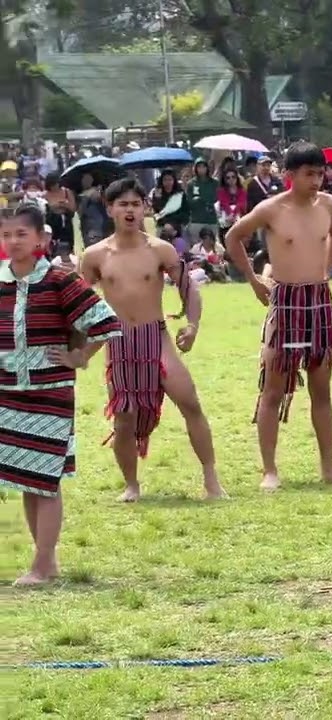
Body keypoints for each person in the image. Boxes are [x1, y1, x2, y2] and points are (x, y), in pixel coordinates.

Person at [76, 178, 223, 502]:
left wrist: (192, 325)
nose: (129, 210)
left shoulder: (160, 249)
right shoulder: (95, 255)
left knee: (190, 402)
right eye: (122, 204)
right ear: (110, 208)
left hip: (156, 340)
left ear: (145, 207)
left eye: (135, 204)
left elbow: (189, 289)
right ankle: (132, 484)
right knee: (124, 417)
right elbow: (79, 303)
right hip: (118, 341)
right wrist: (79, 348)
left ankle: (212, 480)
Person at [1, 204, 121, 585]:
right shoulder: (0, 280)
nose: (13, 241)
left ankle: (42, 565)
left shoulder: (58, 279)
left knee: (46, 479)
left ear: (41, 238)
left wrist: (79, 356)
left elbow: (104, 322)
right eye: (6, 235)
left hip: (50, 393)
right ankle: (45, 563)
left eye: (22, 233)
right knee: (25, 476)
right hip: (8, 394)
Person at [225, 142, 332, 491]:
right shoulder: (271, 208)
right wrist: (252, 280)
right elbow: (233, 237)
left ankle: (329, 467)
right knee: (274, 387)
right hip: (286, 298)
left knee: (322, 387)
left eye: (320, 173)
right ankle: (270, 470)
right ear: (290, 176)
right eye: (309, 174)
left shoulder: (329, 204)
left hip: (319, 298)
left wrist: (327, 266)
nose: (316, 180)